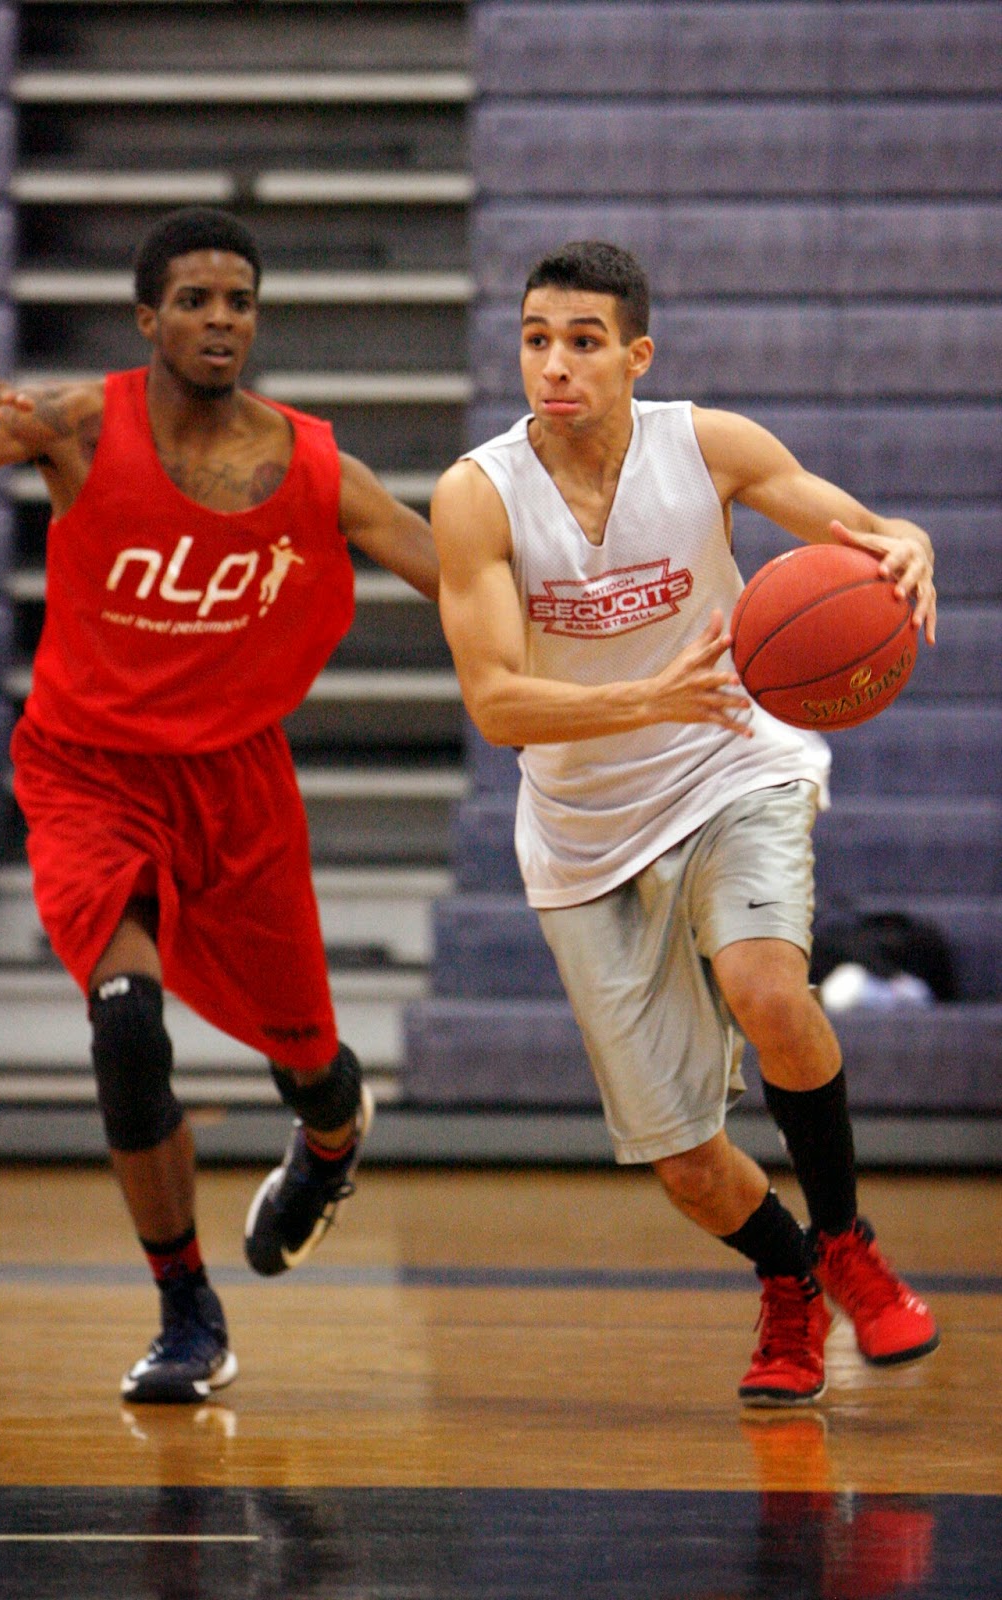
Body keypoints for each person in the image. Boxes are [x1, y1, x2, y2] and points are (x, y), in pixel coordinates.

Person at [0, 206, 439, 1404]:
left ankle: (331, 1140)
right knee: (125, 1024)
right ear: (148, 318)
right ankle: (186, 1310)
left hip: (234, 782)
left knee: (309, 1060)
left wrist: (592, 625)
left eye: (239, 302)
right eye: (195, 300)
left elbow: (454, 573)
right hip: (88, 772)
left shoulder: (315, 466)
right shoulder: (77, 422)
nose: (221, 319)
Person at [431, 240, 939, 1405]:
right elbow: (494, 701)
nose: (555, 365)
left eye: (583, 341)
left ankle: (847, 1242)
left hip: (727, 769)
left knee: (768, 987)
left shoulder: (708, 445)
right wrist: (644, 698)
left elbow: (859, 533)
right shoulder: (477, 492)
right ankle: (789, 1273)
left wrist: (903, 539)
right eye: (536, 339)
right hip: (582, 829)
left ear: (636, 356)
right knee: (684, 1163)